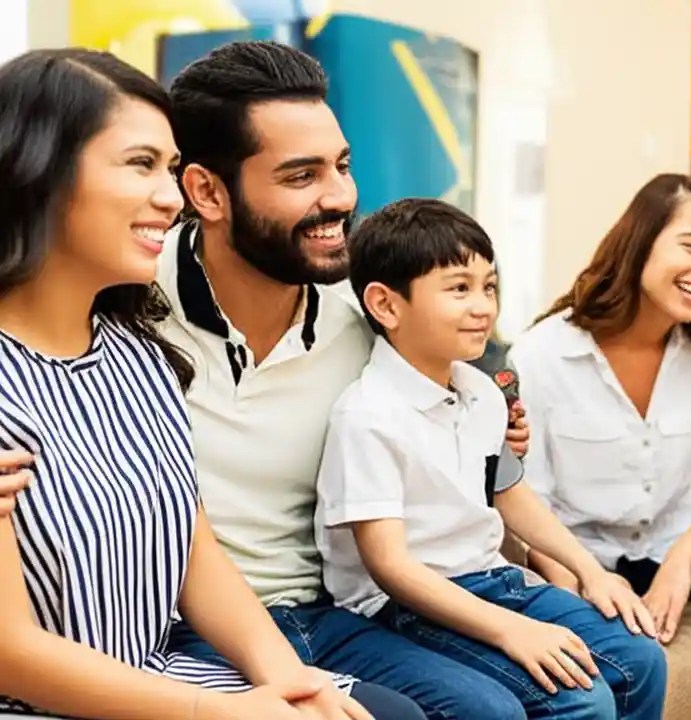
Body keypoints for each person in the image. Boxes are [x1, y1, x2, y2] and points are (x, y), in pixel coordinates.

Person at [0, 47, 396, 720]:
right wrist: (221, 712)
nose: (169, 194)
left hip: (161, 673)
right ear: (41, 172)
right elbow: (12, 653)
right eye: (140, 165)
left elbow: (193, 551)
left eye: (171, 167)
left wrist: (292, 680)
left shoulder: (141, 358)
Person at [154, 41, 527, 718]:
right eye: (302, 176)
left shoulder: (373, 311)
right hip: (179, 626)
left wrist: (498, 411)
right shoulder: (126, 305)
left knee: (498, 707)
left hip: (327, 612)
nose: (341, 198)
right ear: (207, 191)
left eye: (343, 166)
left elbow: (482, 394)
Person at [317, 197, 668, 720]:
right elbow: (389, 566)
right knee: (580, 697)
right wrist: (510, 630)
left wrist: (587, 570)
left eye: (489, 286)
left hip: (490, 577)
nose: (484, 306)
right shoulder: (368, 416)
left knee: (642, 661)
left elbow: (508, 492)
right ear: (387, 305)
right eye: (459, 288)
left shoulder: (479, 390)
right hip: (406, 607)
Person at [509, 173, 691, 719]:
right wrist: (580, 592)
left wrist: (683, 559)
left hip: (675, 543)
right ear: (640, 242)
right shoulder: (544, 354)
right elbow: (531, 501)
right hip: (586, 562)